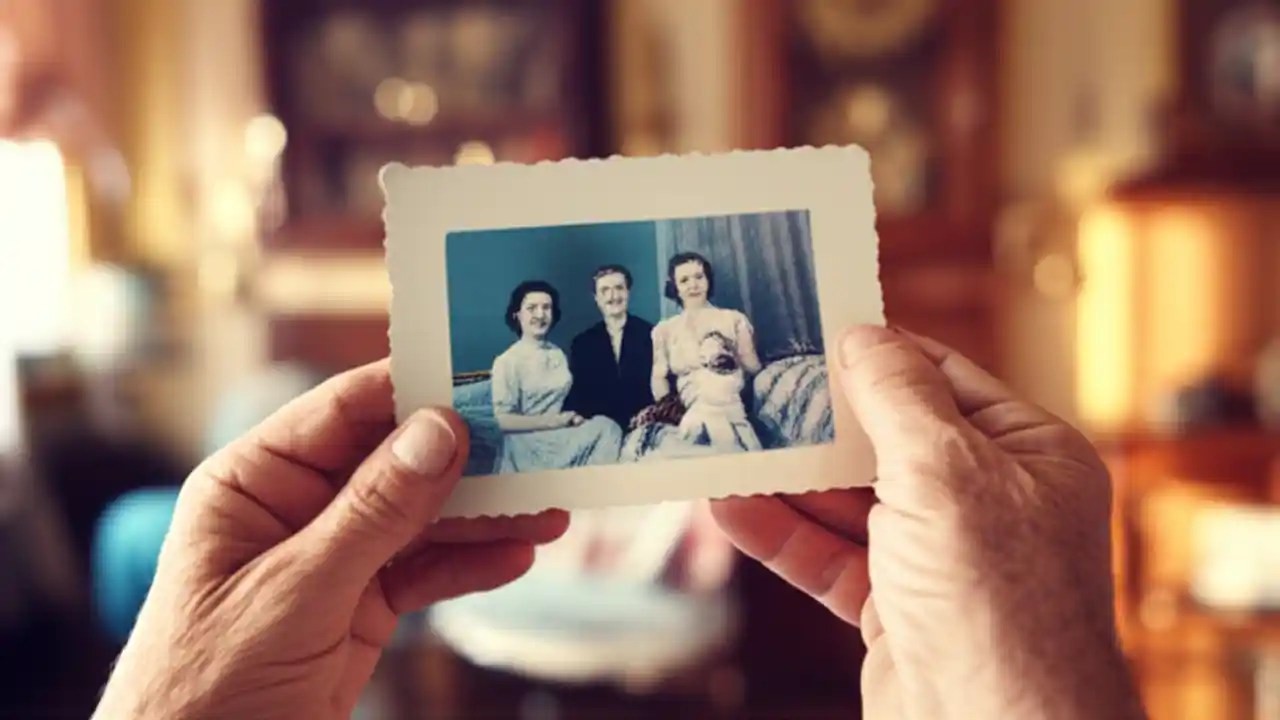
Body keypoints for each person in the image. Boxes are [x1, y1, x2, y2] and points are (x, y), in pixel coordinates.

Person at [92, 326, 1147, 719]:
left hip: (587, 543)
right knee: (177, 504)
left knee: (147, 531)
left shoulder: (735, 428)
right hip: (547, 516)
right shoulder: (624, 380)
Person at [490, 280, 622, 473]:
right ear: (516, 315)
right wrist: (554, 421)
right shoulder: (507, 361)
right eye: (531, 308)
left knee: (607, 426)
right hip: (526, 443)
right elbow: (502, 420)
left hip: (559, 435)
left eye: (546, 308)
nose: (540, 315)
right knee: (606, 428)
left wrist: (573, 419)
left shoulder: (557, 353)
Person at [649, 252, 763, 453]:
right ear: (675, 287)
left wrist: (729, 355)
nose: (693, 285)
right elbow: (658, 377)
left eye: (699, 277)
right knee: (705, 417)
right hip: (693, 402)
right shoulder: (665, 330)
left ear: (708, 280)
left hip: (727, 397)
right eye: (684, 280)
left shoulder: (733, 319)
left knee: (715, 403)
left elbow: (752, 366)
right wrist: (669, 407)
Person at [563, 264, 654, 429]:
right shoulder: (582, 344)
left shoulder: (651, 334)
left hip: (644, 426)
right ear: (596, 298)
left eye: (619, 288)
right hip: (601, 429)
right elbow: (579, 394)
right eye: (605, 290)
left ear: (628, 292)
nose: (613, 296)